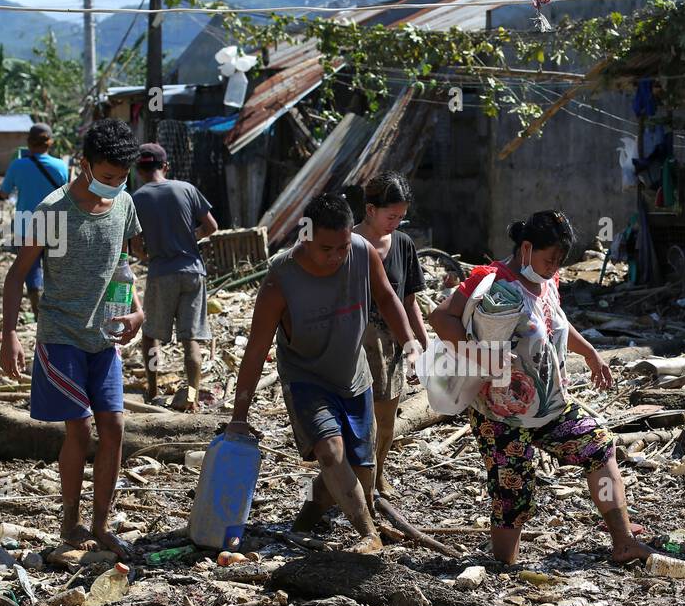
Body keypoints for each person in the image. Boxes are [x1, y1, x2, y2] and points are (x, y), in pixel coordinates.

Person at [428, 211, 654, 567]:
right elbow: (440, 318)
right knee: (511, 495)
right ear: (527, 248)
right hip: (501, 415)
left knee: (598, 447)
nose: (553, 267)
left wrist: (591, 354)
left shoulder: (548, 280)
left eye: (559, 261)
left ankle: (623, 541)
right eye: (550, 259)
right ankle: (505, 568)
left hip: (552, 406)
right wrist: (478, 357)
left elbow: (555, 323)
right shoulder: (490, 281)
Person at [226, 193, 417, 554]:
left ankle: (306, 520)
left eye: (342, 247)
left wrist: (409, 341)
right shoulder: (281, 279)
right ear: (306, 237)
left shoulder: (362, 252)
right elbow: (255, 350)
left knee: (358, 472)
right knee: (331, 453)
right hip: (306, 378)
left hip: (353, 377)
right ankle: (368, 534)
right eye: (326, 248)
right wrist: (239, 414)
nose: (336, 257)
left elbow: (388, 297)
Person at [0, 118, 144, 555]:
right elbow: (16, 275)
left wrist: (136, 309)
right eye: (106, 177)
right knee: (79, 431)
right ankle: (70, 520)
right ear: (84, 165)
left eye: (121, 178)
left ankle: (101, 525)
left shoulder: (124, 205)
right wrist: (9, 335)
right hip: (61, 333)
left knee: (114, 427)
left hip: (105, 337)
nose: (114, 185)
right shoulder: (52, 211)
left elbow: (122, 264)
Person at [353, 172, 428, 497]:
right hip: (353, 347)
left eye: (400, 217)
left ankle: (378, 474)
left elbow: (408, 299)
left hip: (390, 348)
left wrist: (421, 342)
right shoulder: (348, 242)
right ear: (370, 210)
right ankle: (353, 483)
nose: (395, 223)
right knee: (356, 423)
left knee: (385, 423)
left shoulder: (402, 244)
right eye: (390, 216)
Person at [129, 142, 219, 411]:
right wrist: (191, 238)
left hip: (161, 273)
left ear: (139, 169)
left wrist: (150, 256)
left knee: (151, 335)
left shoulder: (137, 198)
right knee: (190, 337)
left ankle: (153, 391)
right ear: (165, 166)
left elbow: (135, 246)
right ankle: (192, 397)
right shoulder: (187, 189)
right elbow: (211, 226)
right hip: (193, 272)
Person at [0, 123, 69, 318]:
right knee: (55, 270)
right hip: (56, 223)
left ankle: (39, 313)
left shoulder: (17, 165)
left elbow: (4, 193)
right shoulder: (61, 165)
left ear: (28, 143)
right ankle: (58, 312)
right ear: (50, 142)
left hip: (25, 224)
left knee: (30, 269)